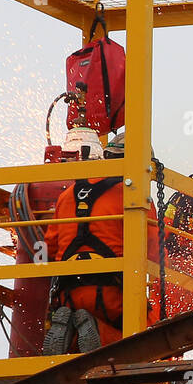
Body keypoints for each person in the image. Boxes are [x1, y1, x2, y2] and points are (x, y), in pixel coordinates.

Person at [42, 130, 126, 354]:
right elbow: (153, 250)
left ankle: (70, 333)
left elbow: (48, 247)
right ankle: (96, 328)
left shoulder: (66, 196)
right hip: (111, 293)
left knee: (73, 339)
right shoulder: (131, 195)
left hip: (68, 292)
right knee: (142, 329)